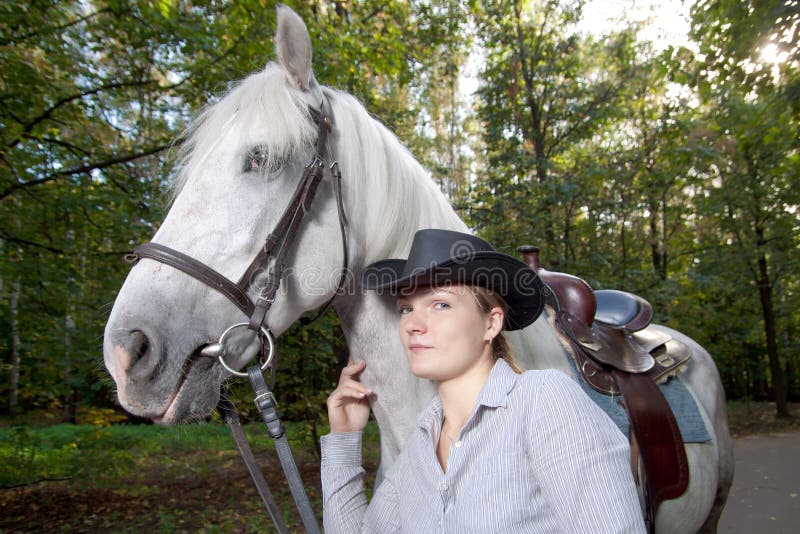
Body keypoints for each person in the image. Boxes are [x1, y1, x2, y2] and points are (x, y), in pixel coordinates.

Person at [321, 229, 645, 533]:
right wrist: (344, 439)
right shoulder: (420, 446)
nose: (413, 325)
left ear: (491, 324)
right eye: (406, 308)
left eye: (441, 304)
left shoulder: (543, 402)